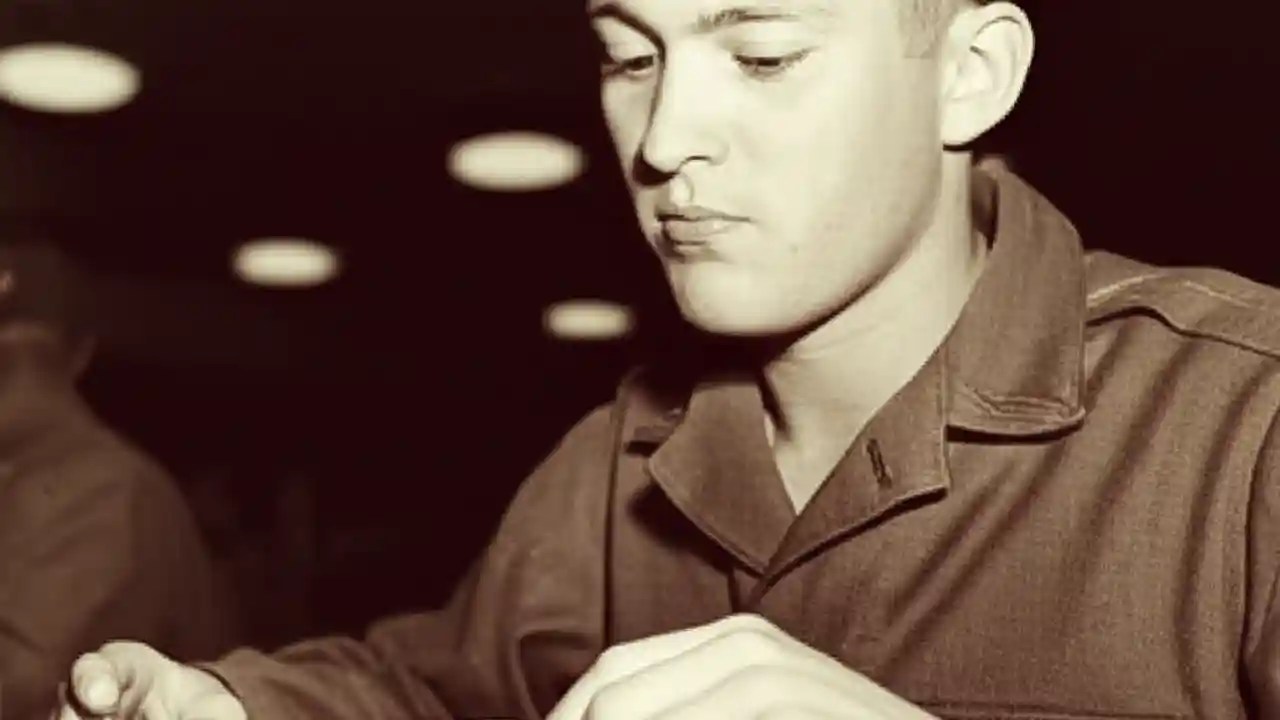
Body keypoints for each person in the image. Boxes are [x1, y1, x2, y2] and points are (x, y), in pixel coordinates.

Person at [52, 0, 1280, 717]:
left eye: (760, 54)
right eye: (630, 56)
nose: (665, 137)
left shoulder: (1246, 421)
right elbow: (431, 689)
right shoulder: (619, 455)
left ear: (967, 75)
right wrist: (236, 710)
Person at [0, 240, 234, 720]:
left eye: (16, 368)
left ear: (78, 358)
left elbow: (16, 690)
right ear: (82, 354)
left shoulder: (105, 488)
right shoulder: (94, 481)